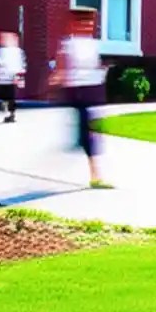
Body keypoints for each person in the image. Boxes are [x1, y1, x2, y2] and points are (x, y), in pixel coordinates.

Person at [49, 18, 110, 188]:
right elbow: (63, 65)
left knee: (89, 130)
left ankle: (83, 145)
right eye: (83, 24)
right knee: (89, 132)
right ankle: (95, 175)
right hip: (79, 92)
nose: (88, 27)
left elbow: (95, 66)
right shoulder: (69, 44)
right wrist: (59, 81)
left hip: (90, 91)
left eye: (89, 24)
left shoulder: (91, 44)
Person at [0, 31, 26, 123]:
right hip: (1, 80)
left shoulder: (15, 52)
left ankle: (11, 114)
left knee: (10, 97)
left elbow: (20, 65)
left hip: (9, 80)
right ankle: (7, 111)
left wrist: (19, 77)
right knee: (3, 96)